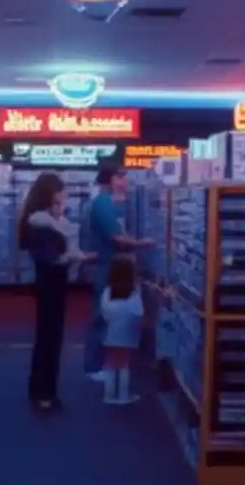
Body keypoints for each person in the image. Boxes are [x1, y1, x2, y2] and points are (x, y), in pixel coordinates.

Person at [18, 172, 92, 410]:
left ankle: (43, 390)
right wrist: (74, 256)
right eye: (62, 190)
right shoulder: (41, 224)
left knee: (49, 338)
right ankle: (44, 393)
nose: (65, 194)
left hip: (51, 284)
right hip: (51, 284)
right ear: (51, 193)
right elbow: (51, 258)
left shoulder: (43, 221)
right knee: (50, 338)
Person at [81, 164, 151, 382]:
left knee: (106, 315)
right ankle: (94, 367)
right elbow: (116, 237)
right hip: (106, 266)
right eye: (122, 178)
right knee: (101, 316)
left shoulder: (105, 202)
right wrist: (141, 243)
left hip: (109, 265)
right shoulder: (102, 203)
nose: (126, 183)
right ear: (111, 180)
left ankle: (100, 365)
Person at [100, 255, 143, 405]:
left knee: (111, 363)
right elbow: (139, 312)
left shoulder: (108, 292)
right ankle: (123, 395)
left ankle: (109, 394)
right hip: (128, 334)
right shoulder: (134, 293)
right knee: (124, 363)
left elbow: (104, 313)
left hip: (111, 332)